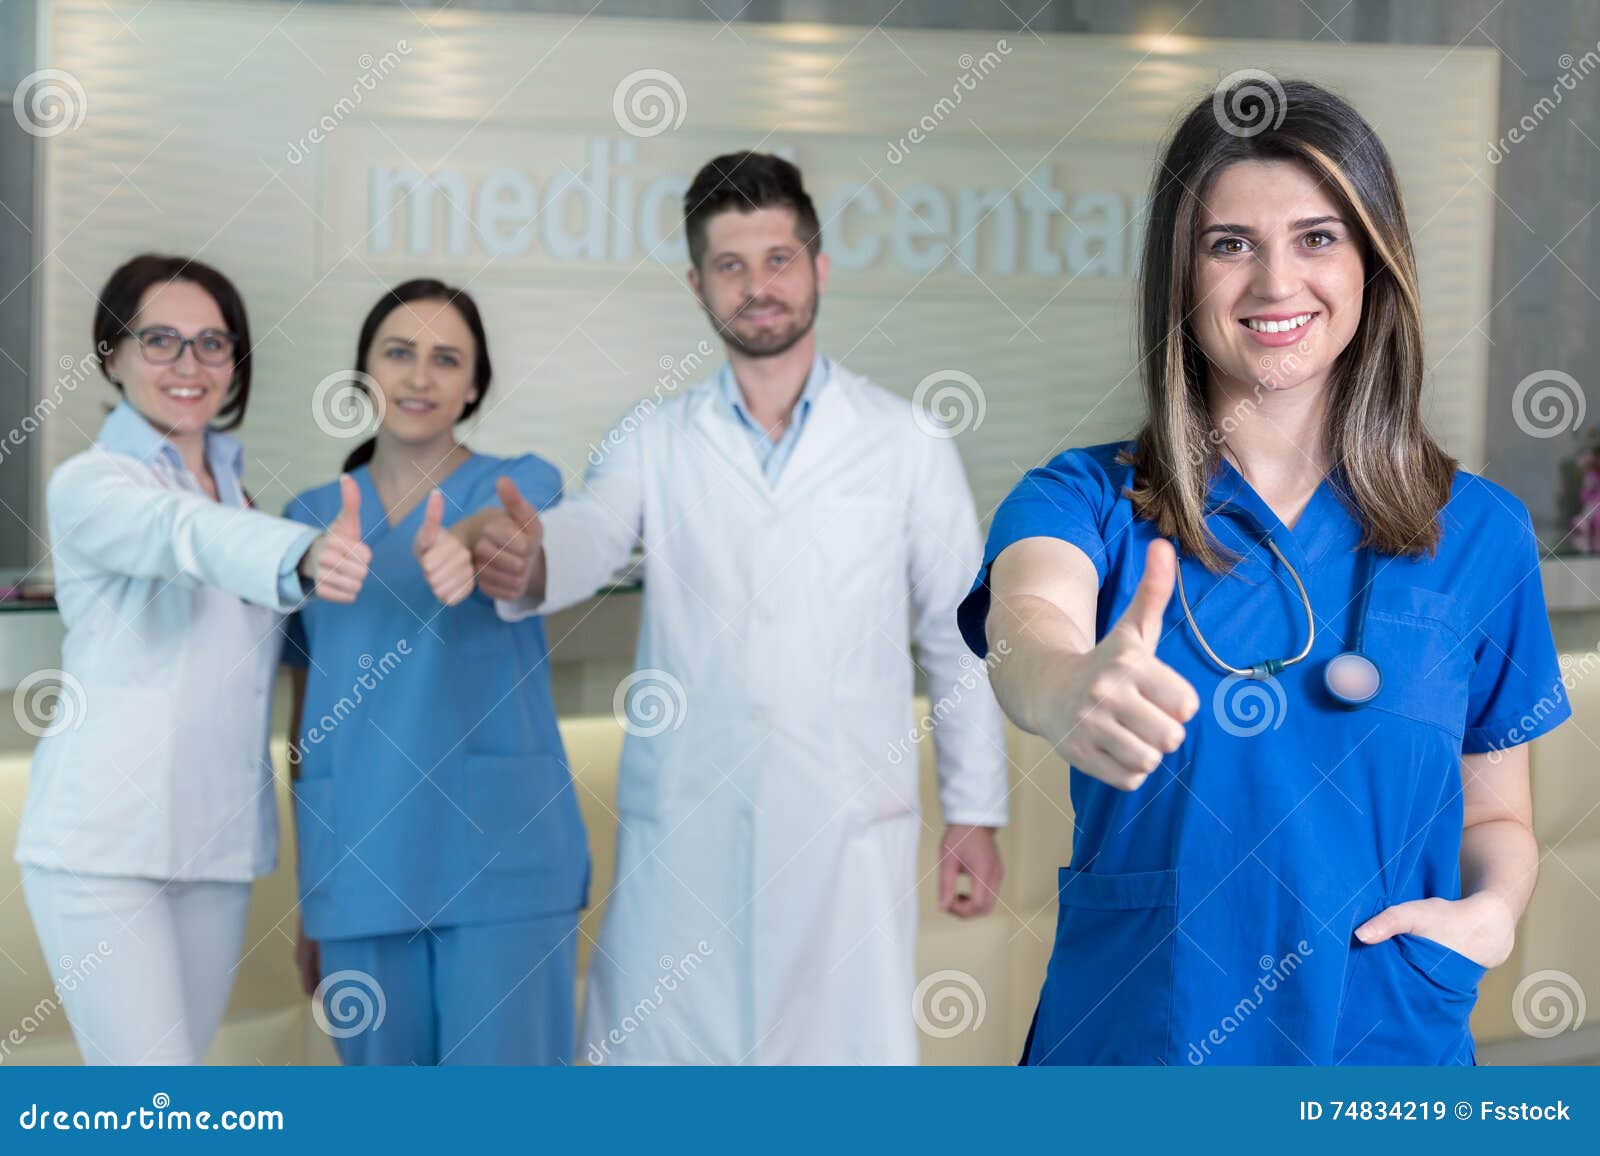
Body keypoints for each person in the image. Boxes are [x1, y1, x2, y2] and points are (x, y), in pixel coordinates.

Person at [960, 80, 1570, 1066]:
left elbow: (1497, 810)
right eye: (1228, 243)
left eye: (1318, 238)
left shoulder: (1479, 534)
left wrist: (1492, 913)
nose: (1275, 283)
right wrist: (1063, 680)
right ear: (1179, 275)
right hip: (1144, 1041)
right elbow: (1027, 619)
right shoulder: (1084, 500)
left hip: (1381, 1046)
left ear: (1374, 262)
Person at [481, 152, 1008, 1064]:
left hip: (845, 827)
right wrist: (530, 561)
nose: (757, 285)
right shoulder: (653, 436)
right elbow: (594, 533)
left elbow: (958, 637)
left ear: (818, 270)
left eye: (777, 259)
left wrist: (974, 809)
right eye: (730, 265)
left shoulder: (905, 440)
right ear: (697, 285)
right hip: (686, 825)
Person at [15, 253, 370, 1065]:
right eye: (161, 340)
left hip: (213, 847)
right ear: (113, 353)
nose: (189, 364)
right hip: (105, 852)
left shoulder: (238, 492)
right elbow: (181, 537)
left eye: (212, 344)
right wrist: (306, 551)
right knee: (155, 1108)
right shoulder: (93, 484)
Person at [282, 279, 588, 1066]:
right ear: (363, 373)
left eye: (446, 359)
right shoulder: (306, 523)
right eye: (399, 354)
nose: (420, 377)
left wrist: (473, 541)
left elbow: (512, 531)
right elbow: (304, 713)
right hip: (357, 865)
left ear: (475, 384)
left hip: (503, 864)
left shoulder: (519, 482)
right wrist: (309, 899)